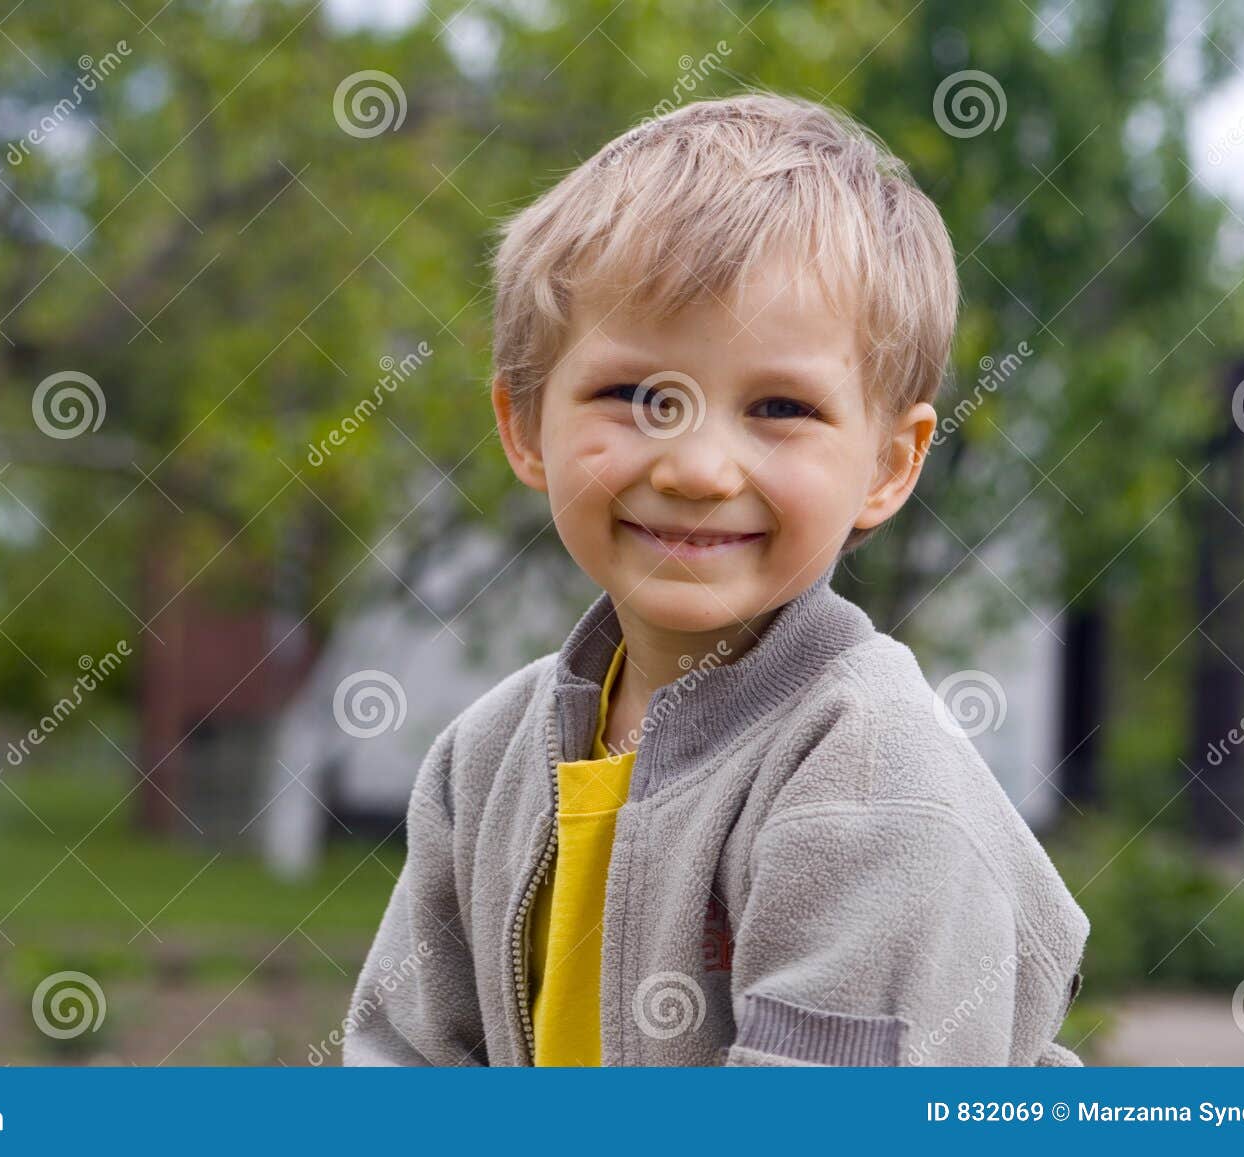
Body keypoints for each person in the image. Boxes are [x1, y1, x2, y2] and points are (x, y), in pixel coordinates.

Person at [342, 92, 1089, 1067]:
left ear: (889, 463)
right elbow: (402, 1059)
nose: (697, 469)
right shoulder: (482, 762)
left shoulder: (868, 775)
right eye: (638, 395)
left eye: (779, 407)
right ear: (525, 423)